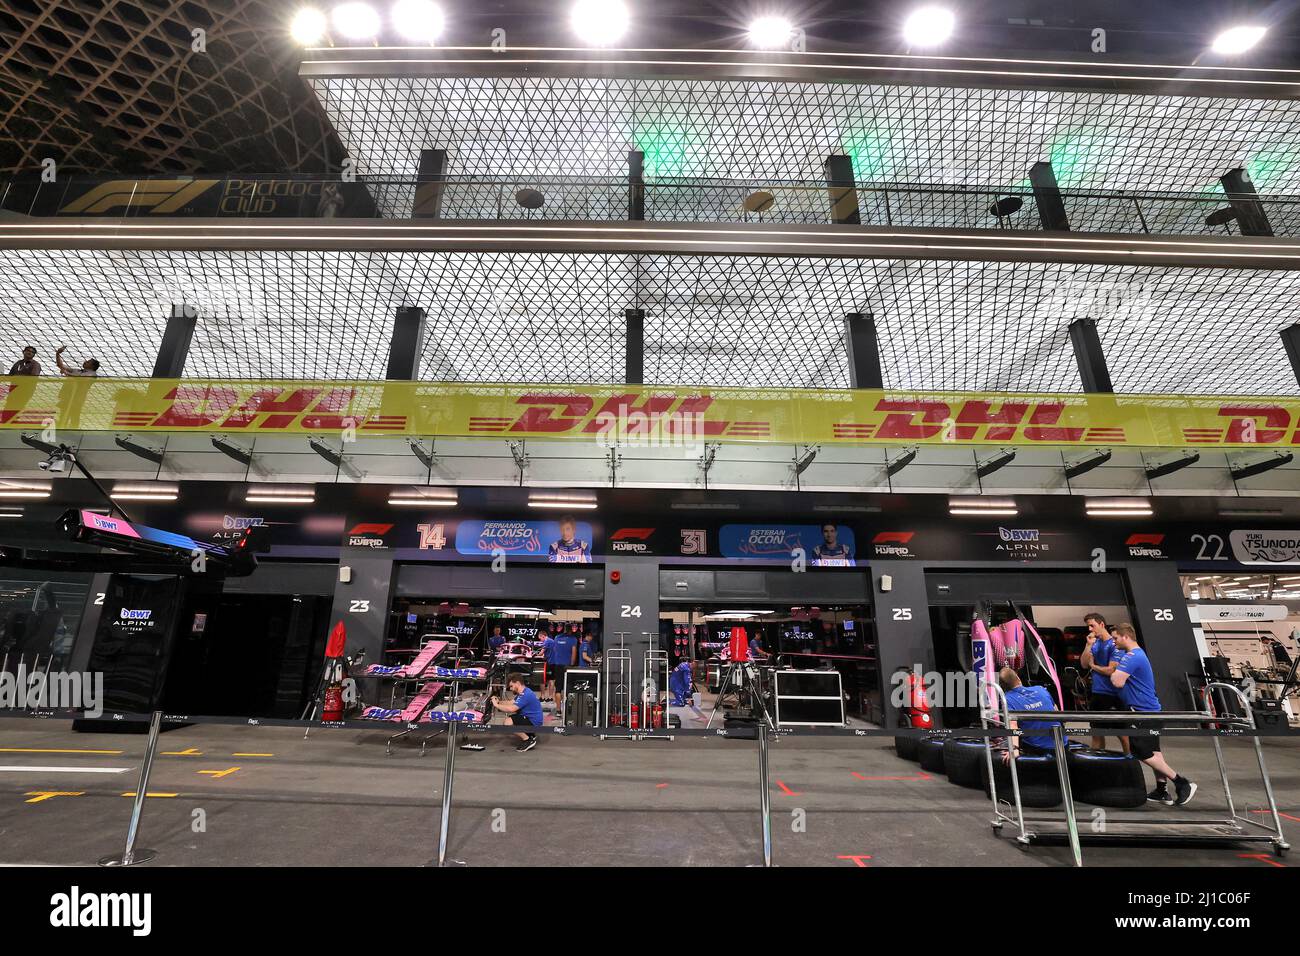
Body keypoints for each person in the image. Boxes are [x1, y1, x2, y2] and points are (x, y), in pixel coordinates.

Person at [1110, 624, 1196, 806]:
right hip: (1150, 711)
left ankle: (1181, 782)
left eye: (1116, 638)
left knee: (1141, 752)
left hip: (1142, 713)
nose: (1114, 641)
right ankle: (1161, 790)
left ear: (1125, 637)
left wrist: (1114, 672)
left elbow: (1117, 681)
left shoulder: (1132, 656)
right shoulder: (1137, 655)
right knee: (1155, 754)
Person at [1078, 612, 1129, 753]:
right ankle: (1097, 763)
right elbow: (1083, 664)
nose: (1090, 629)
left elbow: (1111, 670)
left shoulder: (1114, 644)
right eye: (1088, 626)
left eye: (1092, 625)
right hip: (1097, 693)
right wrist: (1088, 646)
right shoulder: (1095, 643)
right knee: (1096, 733)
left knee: (1122, 734)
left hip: (1114, 694)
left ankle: (1130, 762)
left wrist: (1094, 667)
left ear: (1101, 624)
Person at [998, 666, 1061, 762]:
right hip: (1062, 743)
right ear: (1018, 678)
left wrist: (1014, 750)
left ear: (1002, 686)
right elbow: (1057, 713)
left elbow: (1013, 725)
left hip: (1039, 749)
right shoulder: (1041, 689)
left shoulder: (1007, 700)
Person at [489, 674, 542, 752]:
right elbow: (511, 702)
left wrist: (496, 705)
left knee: (507, 723)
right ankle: (530, 734)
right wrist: (499, 702)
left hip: (533, 722)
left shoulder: (526, 694)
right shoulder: (523, 692)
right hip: (530, 719)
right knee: (513, 718)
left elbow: (511, 709)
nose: (510, 689)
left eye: (511, 686)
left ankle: (528, 740)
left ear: (517, 683)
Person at [547, 625, 578, 717]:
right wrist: (572, 665)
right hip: (567, 666)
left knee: (558, 689)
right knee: (569, 688)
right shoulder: (573, 639)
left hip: (558, 665)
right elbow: (574, 653)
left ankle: (558, 710)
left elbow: (555, 649)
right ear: (571, 630)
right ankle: (570, 710)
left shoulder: (557, 637)